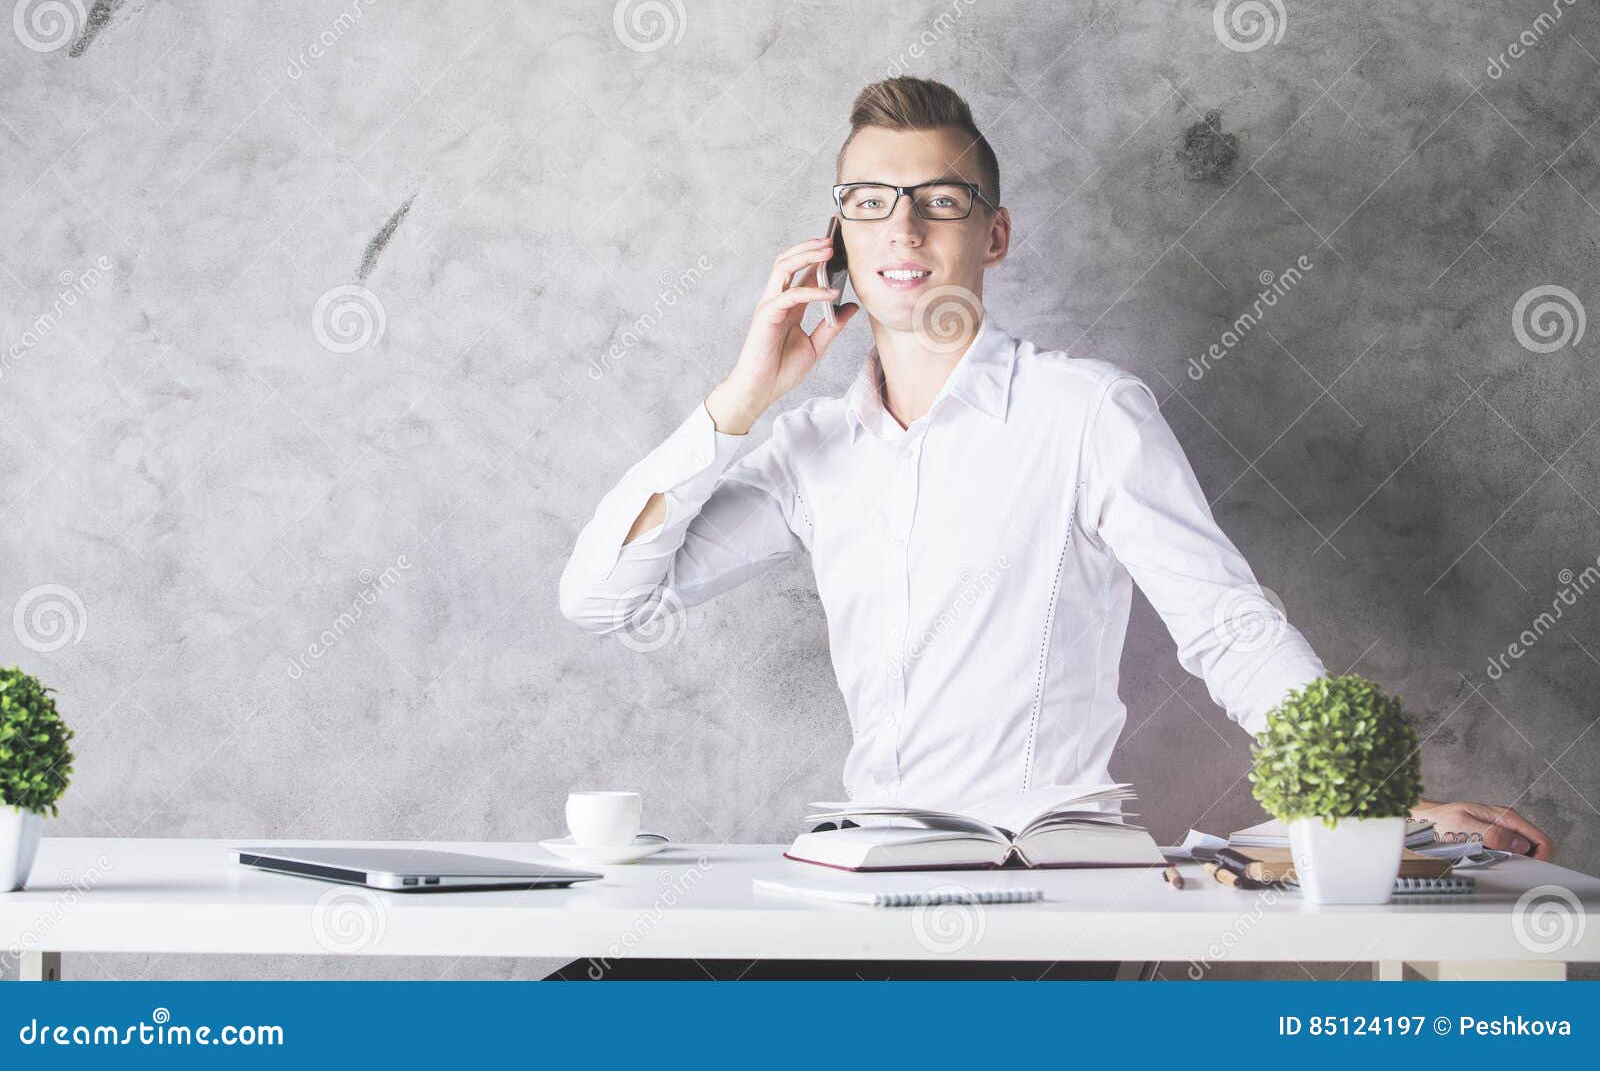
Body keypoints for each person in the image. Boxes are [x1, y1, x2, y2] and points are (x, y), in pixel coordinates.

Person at [554, 76, 1552, 979]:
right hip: (864, 894)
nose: (903, 230)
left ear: (992, 236)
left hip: (1039, 910)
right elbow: (601, 597)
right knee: (574, 1004)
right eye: (869, 203)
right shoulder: (809, 450)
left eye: (940, 201)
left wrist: (1371, 798)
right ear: (836, 242)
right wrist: (741, 397)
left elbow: (1227, 625)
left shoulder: (1084, 412)